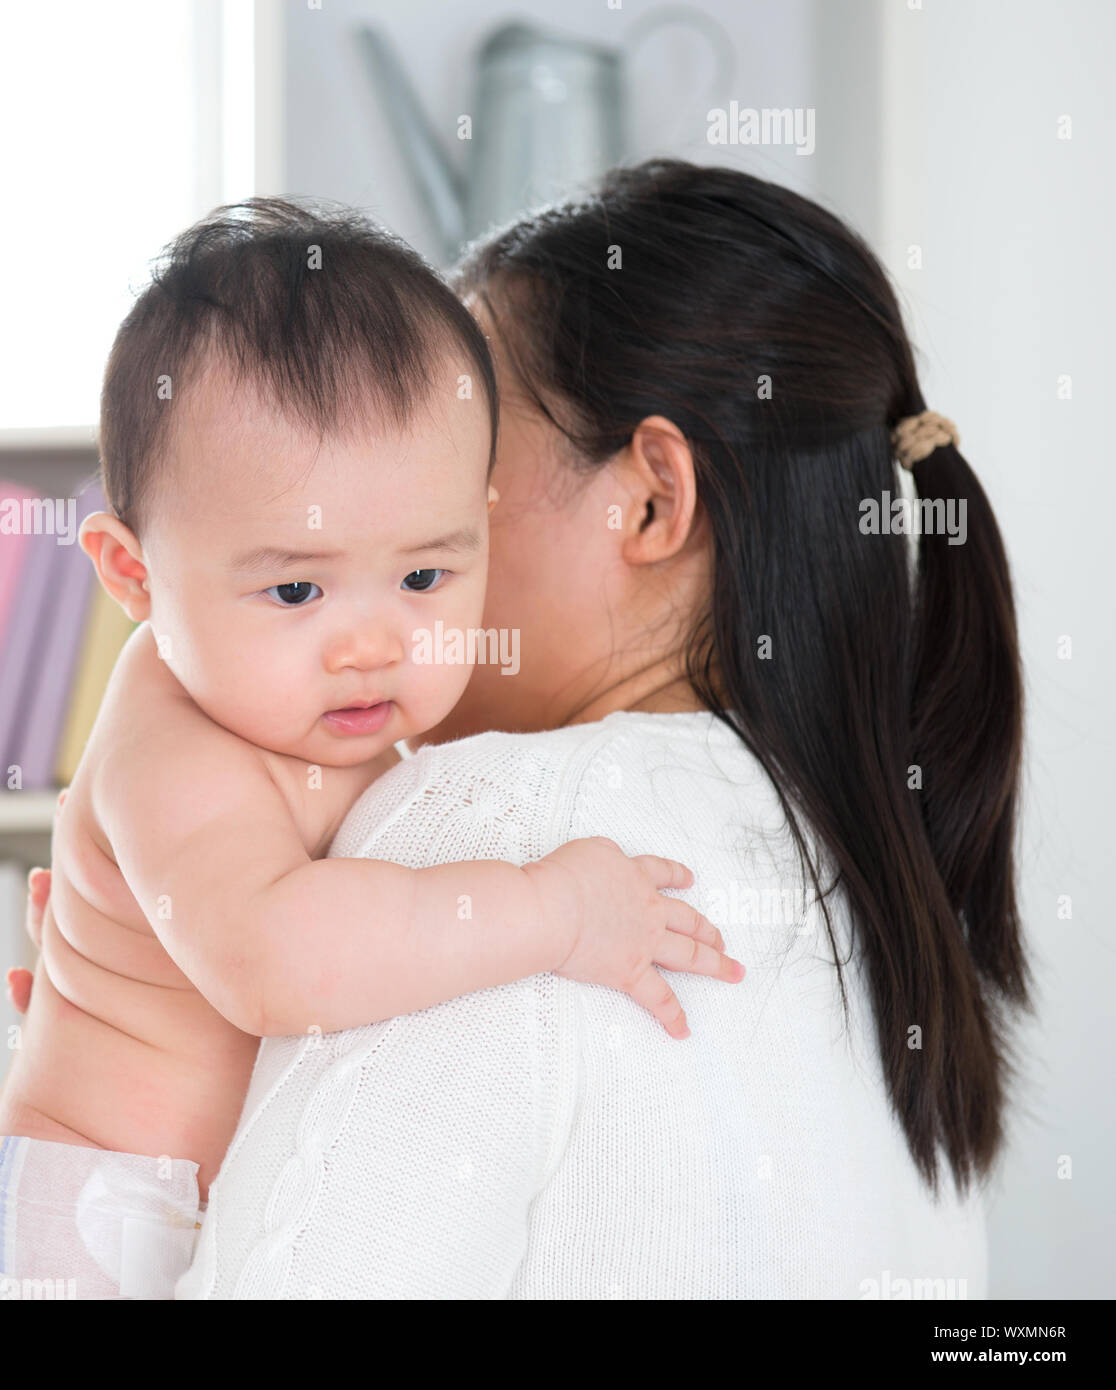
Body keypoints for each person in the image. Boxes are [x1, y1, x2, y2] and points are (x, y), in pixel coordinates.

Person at [0, 198, 741, 1302]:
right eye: (295, 587)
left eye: (425, 576)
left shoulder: (338, 725)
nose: (372, 644)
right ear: (132, 576)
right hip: (67, 1237)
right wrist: (548, 909)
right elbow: (283, 958)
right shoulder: (172, 737)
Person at [164, 160, 1029, 1298]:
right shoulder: (880, 882)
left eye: (460, 463)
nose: (395, 529)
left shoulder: (495, 829)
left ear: (651, 501)